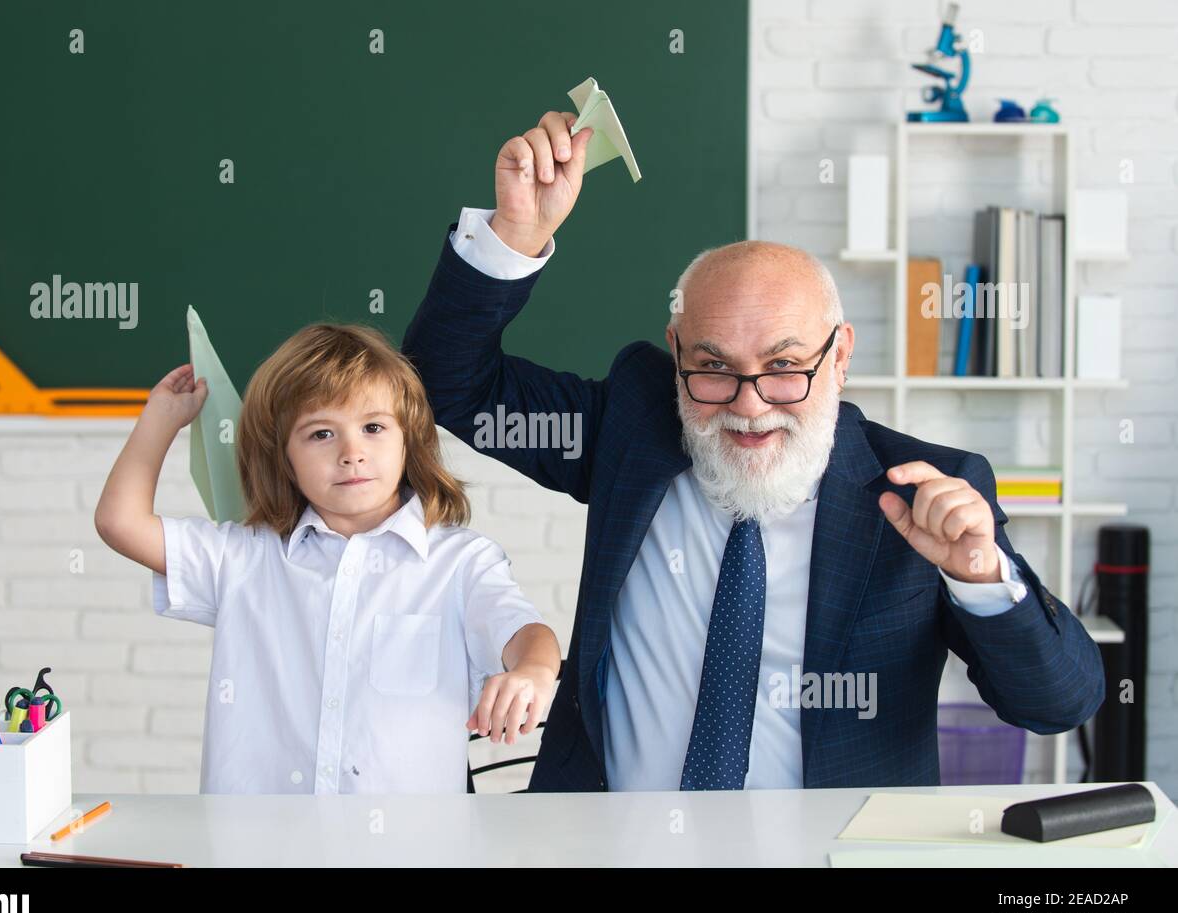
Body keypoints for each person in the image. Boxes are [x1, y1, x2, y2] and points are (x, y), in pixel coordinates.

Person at [402, 110, 1104, 792]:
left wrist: (982, 574)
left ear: (840, 357)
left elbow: (1058, 703)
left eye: (784, 366)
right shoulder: (634, 427)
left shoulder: (926, 494)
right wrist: (514, 236)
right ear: (675, 352)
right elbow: (446, 380)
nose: (748, 403)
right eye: (713, 368)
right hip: (611, 848)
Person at [95, 322, 561, 794]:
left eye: (374, 427)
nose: (351, 452)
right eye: (320, 434)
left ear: (409, 440)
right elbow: (120, 522)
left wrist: (534, 672)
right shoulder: (243, 557)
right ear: (284, 458)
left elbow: (525, 632)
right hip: (255, 851)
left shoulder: (459, 563)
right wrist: (160, 420)